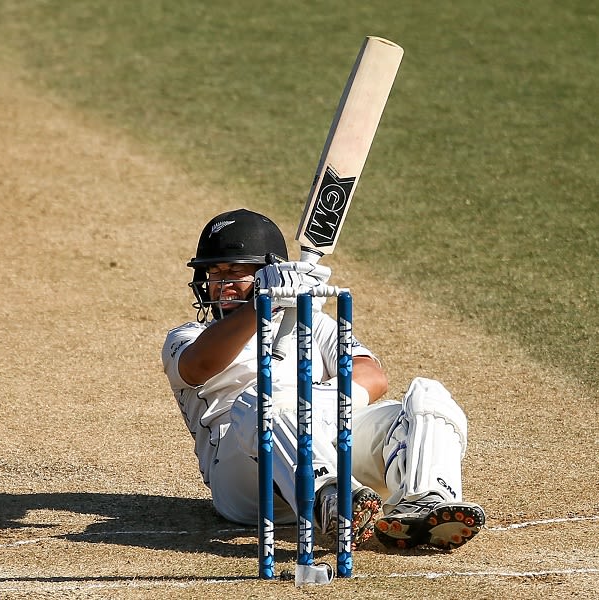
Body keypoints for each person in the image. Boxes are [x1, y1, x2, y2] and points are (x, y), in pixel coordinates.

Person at [161, 208, 485, 551]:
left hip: (319, 432)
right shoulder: (188, 337)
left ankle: (425, 502)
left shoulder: (313, 323)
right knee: (261, 399)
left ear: (268, 273)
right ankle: (330, 498)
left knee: (428, 397)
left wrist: (313, 404)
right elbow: (198, 365)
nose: (221, 284)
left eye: (235, 272)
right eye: (214, 273)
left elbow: (372, 376)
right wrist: (261, 307)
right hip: (243, 481)